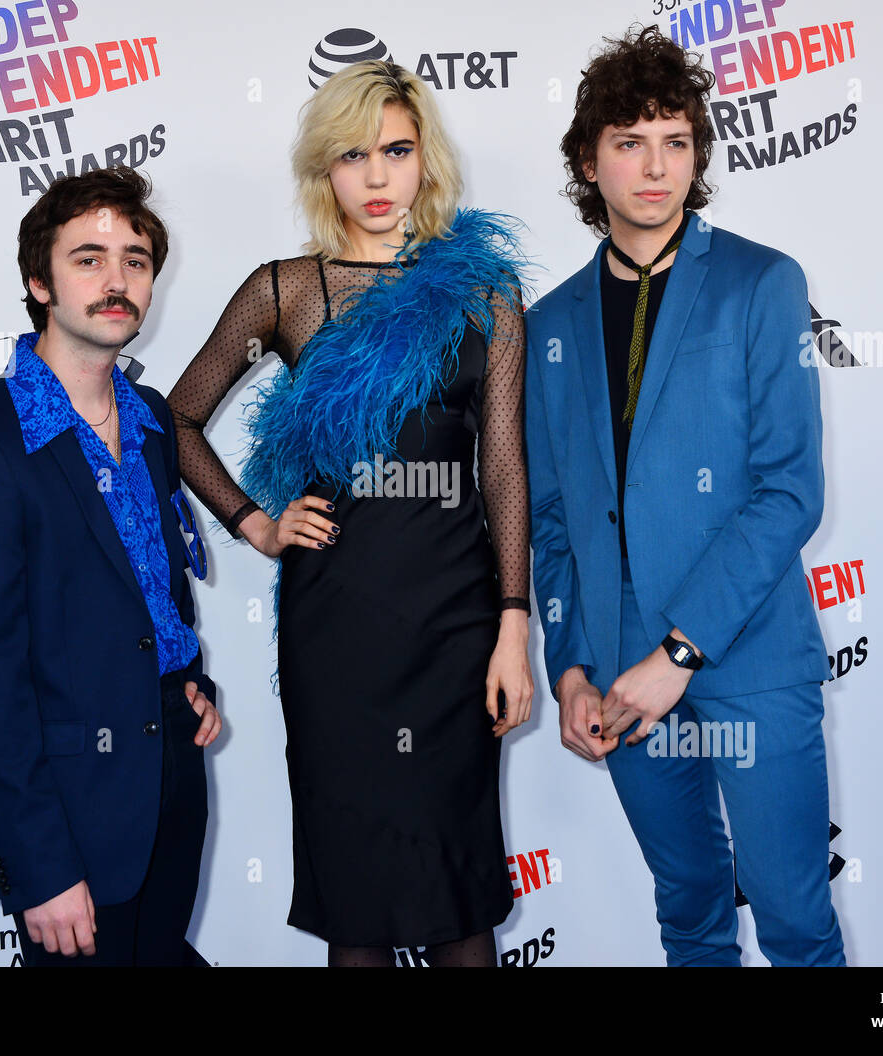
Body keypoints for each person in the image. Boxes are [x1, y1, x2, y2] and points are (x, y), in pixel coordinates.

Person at [167, 60, 533, 967]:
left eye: (397, 151)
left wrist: (513, 627)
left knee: (459, 901)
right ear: (323, 170)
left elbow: (503, 466)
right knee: (357, 900)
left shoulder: (484, 294)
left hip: (456, 623)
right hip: (338, 631)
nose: (377, 177)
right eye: (353, 154)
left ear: (427, 162)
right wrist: (255, 521)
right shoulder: (287, 291)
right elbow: (171, 421)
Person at [524, 26, 845, 966]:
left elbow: (789, 491)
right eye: (629, 142)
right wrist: (572, 663)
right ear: (591, 160)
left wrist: (680, 651)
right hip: (617, 672)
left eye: (675, 140)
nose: (654, 167)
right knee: (692, 914)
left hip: (744, 651)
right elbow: (551, 519)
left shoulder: (762, 283)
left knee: (793, 917)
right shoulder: (549, 325)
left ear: (699, 152)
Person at [0, 166, 222, 967]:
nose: (117, 279)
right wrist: (39, 867)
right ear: (36, 280)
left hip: (169, 777)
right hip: (66, 810)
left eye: (136, 259)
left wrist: (192, 681)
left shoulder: (153, 419)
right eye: (88, 257)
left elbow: (152, 590)